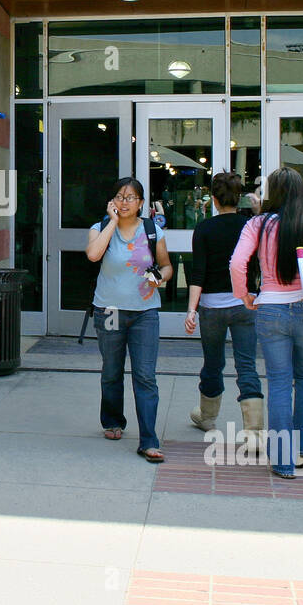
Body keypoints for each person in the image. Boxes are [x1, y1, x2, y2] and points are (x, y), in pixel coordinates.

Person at [231, 168, 303, 479]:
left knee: (280, 383)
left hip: (270, 309)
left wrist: (244, 295)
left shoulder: (258, 223)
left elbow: (237, 262)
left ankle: (282, 462)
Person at [86, 176, 173, 463]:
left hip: (145, 313)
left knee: (145, 375)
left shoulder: (152, 231)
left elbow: (166, 266)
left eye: (131, 198)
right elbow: (93, 255)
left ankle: (148, 439)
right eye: (120, 197)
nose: (125, 202)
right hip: (109, 311)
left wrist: (159, 278)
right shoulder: (100, 228)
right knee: (112, 369)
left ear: (141, 203)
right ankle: (112, 420)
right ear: (112, 200)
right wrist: (111, 222)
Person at [185, 172, 263, 447]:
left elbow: (198, 273)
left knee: (213, 362)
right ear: (238, 196)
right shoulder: (251, 225)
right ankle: (253, 433)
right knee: (247, 365)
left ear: (214, 199)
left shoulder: (204, 229)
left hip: (212, 307)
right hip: (245, 304)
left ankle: (207, 416)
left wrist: (191, 310)